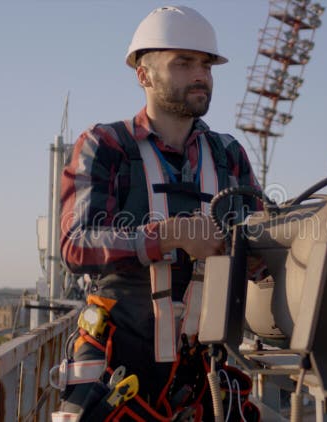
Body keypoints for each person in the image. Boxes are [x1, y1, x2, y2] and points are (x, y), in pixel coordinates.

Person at [54, 5, 262, 421]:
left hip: (202, 375)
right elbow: (76, 244)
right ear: (144, 75)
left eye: (206, 64)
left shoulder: (229, 156)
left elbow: (261, 244)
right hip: (118, 369)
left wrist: (256, 253)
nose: (201, 74)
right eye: (183, 63)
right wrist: (168, 237)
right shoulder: (105, 146)